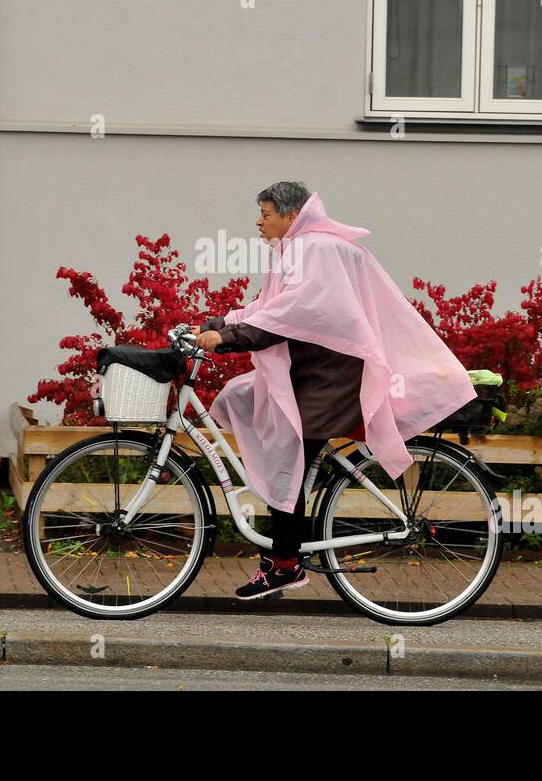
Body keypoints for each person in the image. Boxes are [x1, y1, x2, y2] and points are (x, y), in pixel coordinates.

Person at [195, 182, 476, 601]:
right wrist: (221, 323)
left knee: (285, 455)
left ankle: (284, 564)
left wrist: (232, 338)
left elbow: (297, 311)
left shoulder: (315, 249)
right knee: (242, 398)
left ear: (291, 216)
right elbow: (270, 307)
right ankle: (281, 552)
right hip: (317, 371)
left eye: (267, 213)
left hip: (333, 376)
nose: (259, 220)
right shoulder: (301, 248)